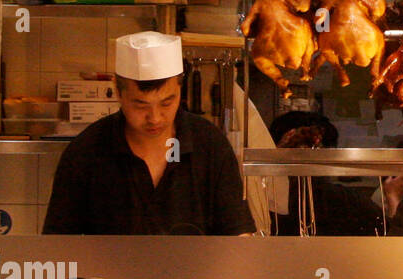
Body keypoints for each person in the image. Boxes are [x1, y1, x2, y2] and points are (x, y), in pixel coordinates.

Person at [43, 31, 256, 235]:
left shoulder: (210, 146)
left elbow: (237, 233)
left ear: (179, 89)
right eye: (140, 105)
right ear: (118, 92)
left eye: (167, 102)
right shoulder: (85, 153)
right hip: (107, 273)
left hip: (198, 273)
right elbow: (58, 244)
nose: (155, 118)